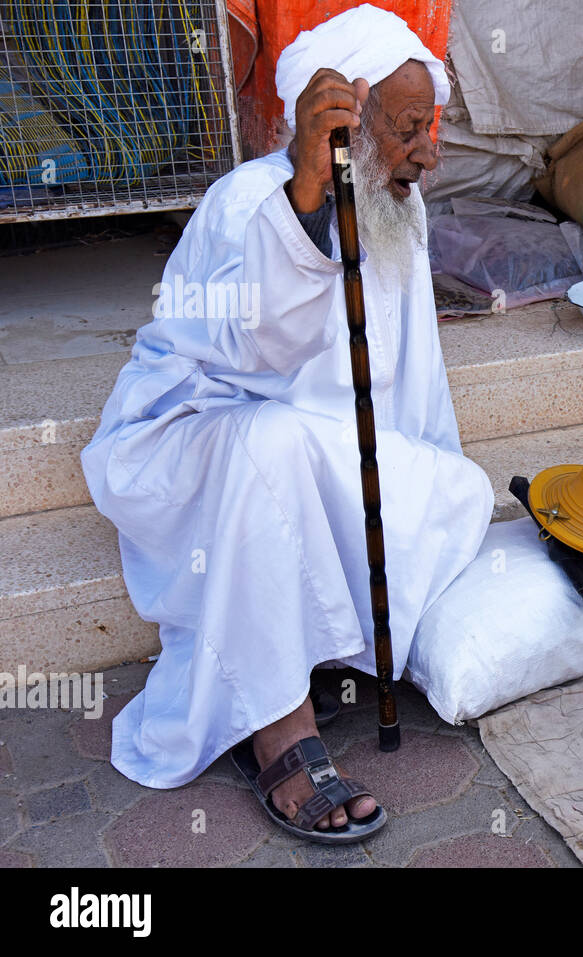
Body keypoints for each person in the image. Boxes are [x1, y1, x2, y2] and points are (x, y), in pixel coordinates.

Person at [80, 5, 493, 841]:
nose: (429, 150)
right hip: (198, 445)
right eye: (409, 129)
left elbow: (411, 386)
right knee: (275, 443)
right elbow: (256, 349)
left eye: (432, 127)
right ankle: (280, 727)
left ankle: (319, 638)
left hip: (322, 454)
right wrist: (309, 201)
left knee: (455, 486)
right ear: (337, 123)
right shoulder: (246, 203)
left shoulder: (397, 214)